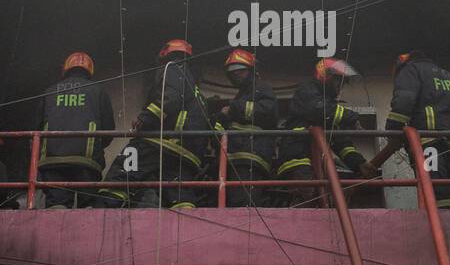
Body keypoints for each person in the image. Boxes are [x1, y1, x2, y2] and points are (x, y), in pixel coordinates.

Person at [100, 39, 212, 209]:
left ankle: (104, 209)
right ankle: (188, 219)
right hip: (186, 153)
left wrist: (144, 118)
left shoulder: (171, 69)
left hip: (161, 142)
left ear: (164, 55)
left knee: (122, 170)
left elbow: (170, 99)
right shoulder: (196, 90)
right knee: (177, 191)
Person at [379, 51, 450, 208]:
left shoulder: (410, 70)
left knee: (435, 191)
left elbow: (404, 99)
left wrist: (393, 129)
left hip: (426, 143)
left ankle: (440, 227)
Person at [275, 57, 365, 206]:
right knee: (308, 200)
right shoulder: (308, 90)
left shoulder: (328, 104)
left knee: (322, 202)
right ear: (326, 76)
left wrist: (359, 163)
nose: (340, 87)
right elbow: (318, 110)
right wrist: (352, 117)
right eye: (339, 81)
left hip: (315, 163)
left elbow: (340, 141)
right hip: (298, 160)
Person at [37, 51, 115, 208]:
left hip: (52, 161)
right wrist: (95, 146)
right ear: (90, 69)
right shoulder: (98, 91)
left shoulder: (49, 92)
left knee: (56, 208)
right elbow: (109, 128)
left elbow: (36, 127)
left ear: (66, 68)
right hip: (86, 162)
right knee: (88, 207)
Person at [219, 49, 278, 207]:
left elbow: (267, 111)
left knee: (244, 203)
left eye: (240, 71)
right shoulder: (243, 93)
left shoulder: (261, 88)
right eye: (233, 72)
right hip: (239, 157)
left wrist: (233, 108)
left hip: (251, 156)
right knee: (236, 202)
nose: (236, 75)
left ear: (251, 71)